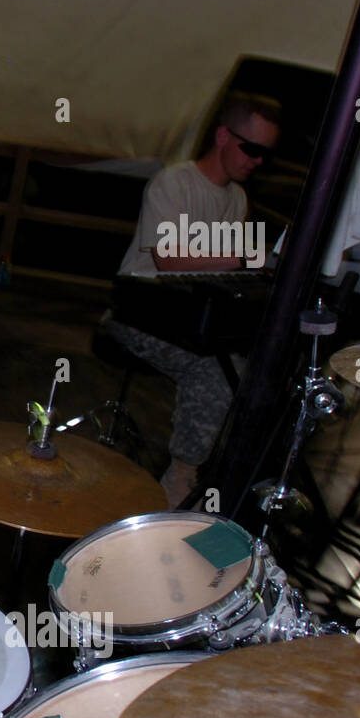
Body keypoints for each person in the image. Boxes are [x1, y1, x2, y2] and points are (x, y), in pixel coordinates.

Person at [105, 92, 281, 507]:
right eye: (251, 148)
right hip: (139, 310)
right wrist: (248, 256)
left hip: (192, 314)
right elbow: (169, 260)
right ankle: (180, 482)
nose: (256, 161)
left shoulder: (236, 199)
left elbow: (219, 271)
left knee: (256, 366)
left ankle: (226, 474)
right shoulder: (174, 183)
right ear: (223, 135)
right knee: (215, 371)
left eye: (264, 154)